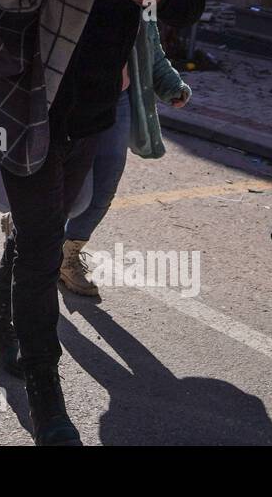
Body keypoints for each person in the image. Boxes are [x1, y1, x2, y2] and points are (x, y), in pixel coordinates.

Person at [0, 0, 205, 444]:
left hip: (94, 116)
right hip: (27, 115)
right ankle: (48, 400)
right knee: (44, 248)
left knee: (35, 232)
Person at [59, 18, 192, 296]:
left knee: (105, 187)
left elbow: (150, 47)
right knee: (72, 192)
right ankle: (28, 228)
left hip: (117, 100)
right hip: (73, 98)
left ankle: (67, 256)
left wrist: (170, 85)